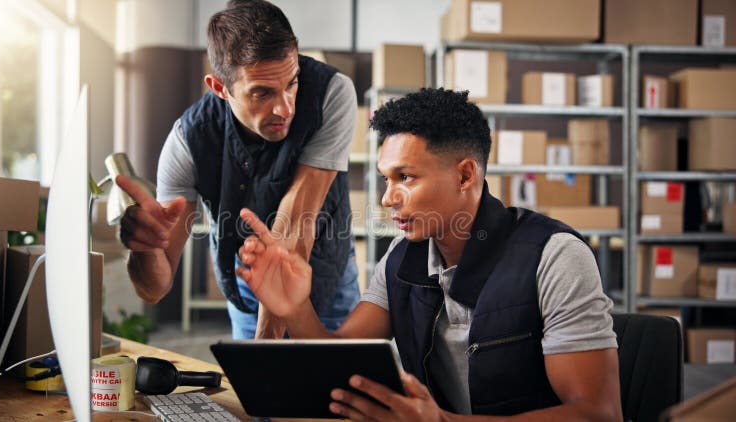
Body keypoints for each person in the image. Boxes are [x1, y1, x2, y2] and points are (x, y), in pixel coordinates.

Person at [235, 88, 623, 420]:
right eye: (387, 179)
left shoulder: (556, 257)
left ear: (465, 176)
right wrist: (296, 309)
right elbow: (343, 368)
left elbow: (597, 414)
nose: (387, 198)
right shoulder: (401, 259)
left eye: (406, 177)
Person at [114, 0, 360, 339]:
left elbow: (295, 228)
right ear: (219, 88)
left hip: (329, 275)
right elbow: (153, 289)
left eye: (292, 83)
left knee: (335, 386)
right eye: (262, 93)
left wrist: (263, 355)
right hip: (248, 281)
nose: (285, 107)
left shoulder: (332, 92)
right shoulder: (188, 140)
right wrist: (146, 249)